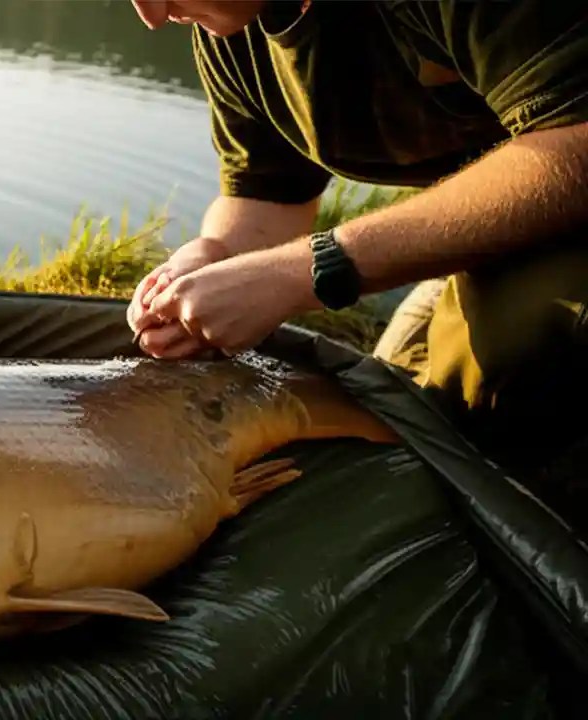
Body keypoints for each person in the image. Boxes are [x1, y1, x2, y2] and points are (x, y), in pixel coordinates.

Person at [124, 0, 588, 476]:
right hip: (494, 235)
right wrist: (215, 256)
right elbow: (266, 194)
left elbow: (578, 142)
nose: (152, 15)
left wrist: (317, 267)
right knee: (393, 417)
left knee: (481, 406)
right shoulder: (231, 31)